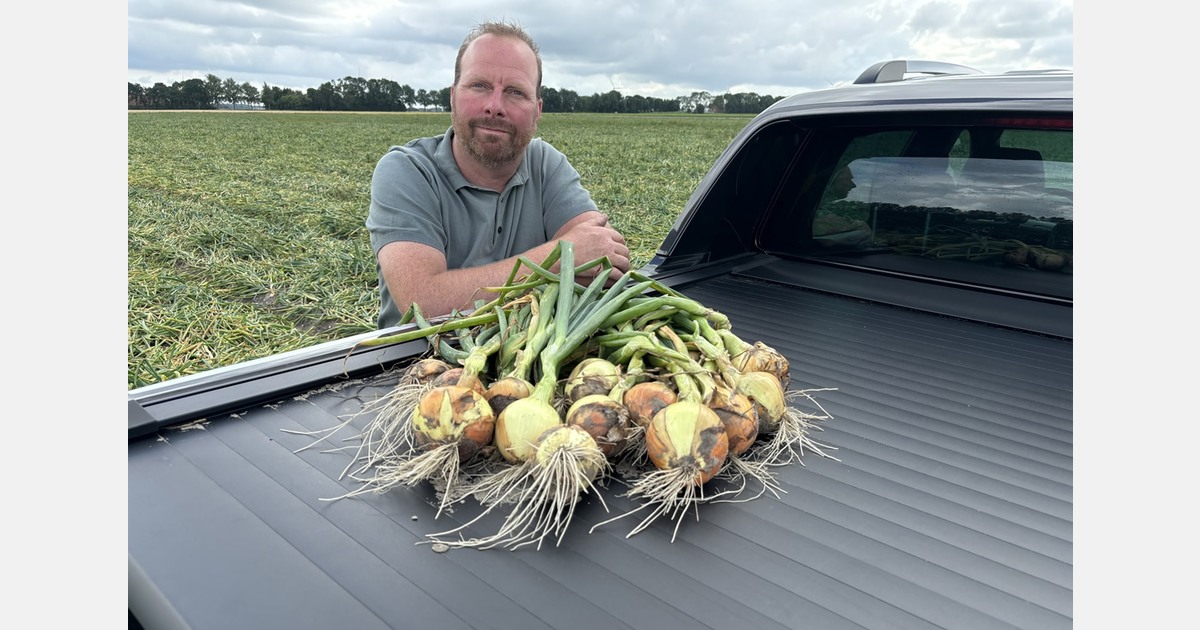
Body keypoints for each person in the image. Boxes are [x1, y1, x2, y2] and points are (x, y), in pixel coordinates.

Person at [366, 20, 631, 328]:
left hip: (531, 349)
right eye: (479, 86)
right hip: (421, 354)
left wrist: (580, 255)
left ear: (537, 111)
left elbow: (605, 258)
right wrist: (560, 258)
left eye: (516, 92)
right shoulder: (407, 171)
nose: (495, 106)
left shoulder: (546, 164)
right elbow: (422, 304)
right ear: (453, 96)